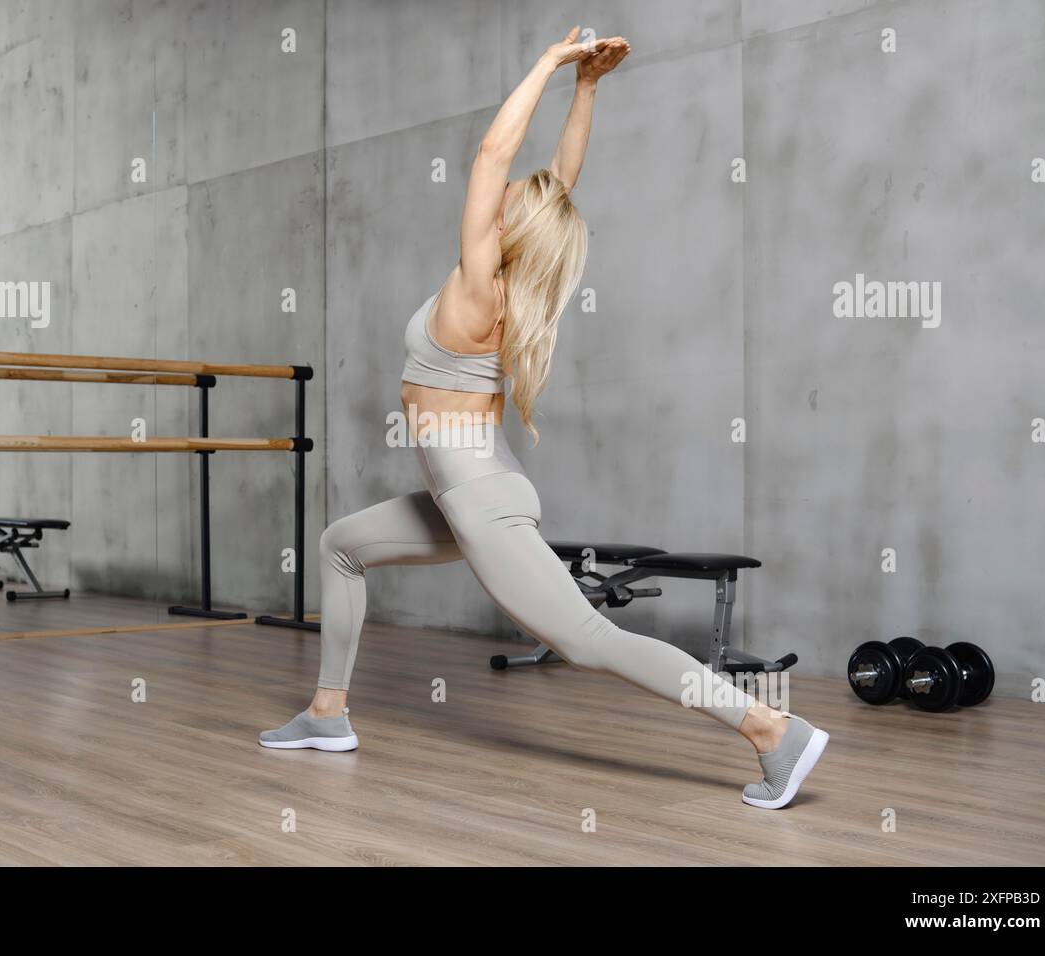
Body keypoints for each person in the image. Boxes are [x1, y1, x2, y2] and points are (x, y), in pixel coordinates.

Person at [262, 28, 828, 809]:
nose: (499, 203)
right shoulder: (516, 288)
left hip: (483, 502)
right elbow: (558, 181)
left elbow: (494, 155)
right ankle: (328, 713)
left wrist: (547, 64)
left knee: (592, 641)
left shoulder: (478, 291)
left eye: (510, 205)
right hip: (473, 494)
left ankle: (771, 730)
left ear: (515, 227)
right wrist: (587, 90)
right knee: (342, 548)